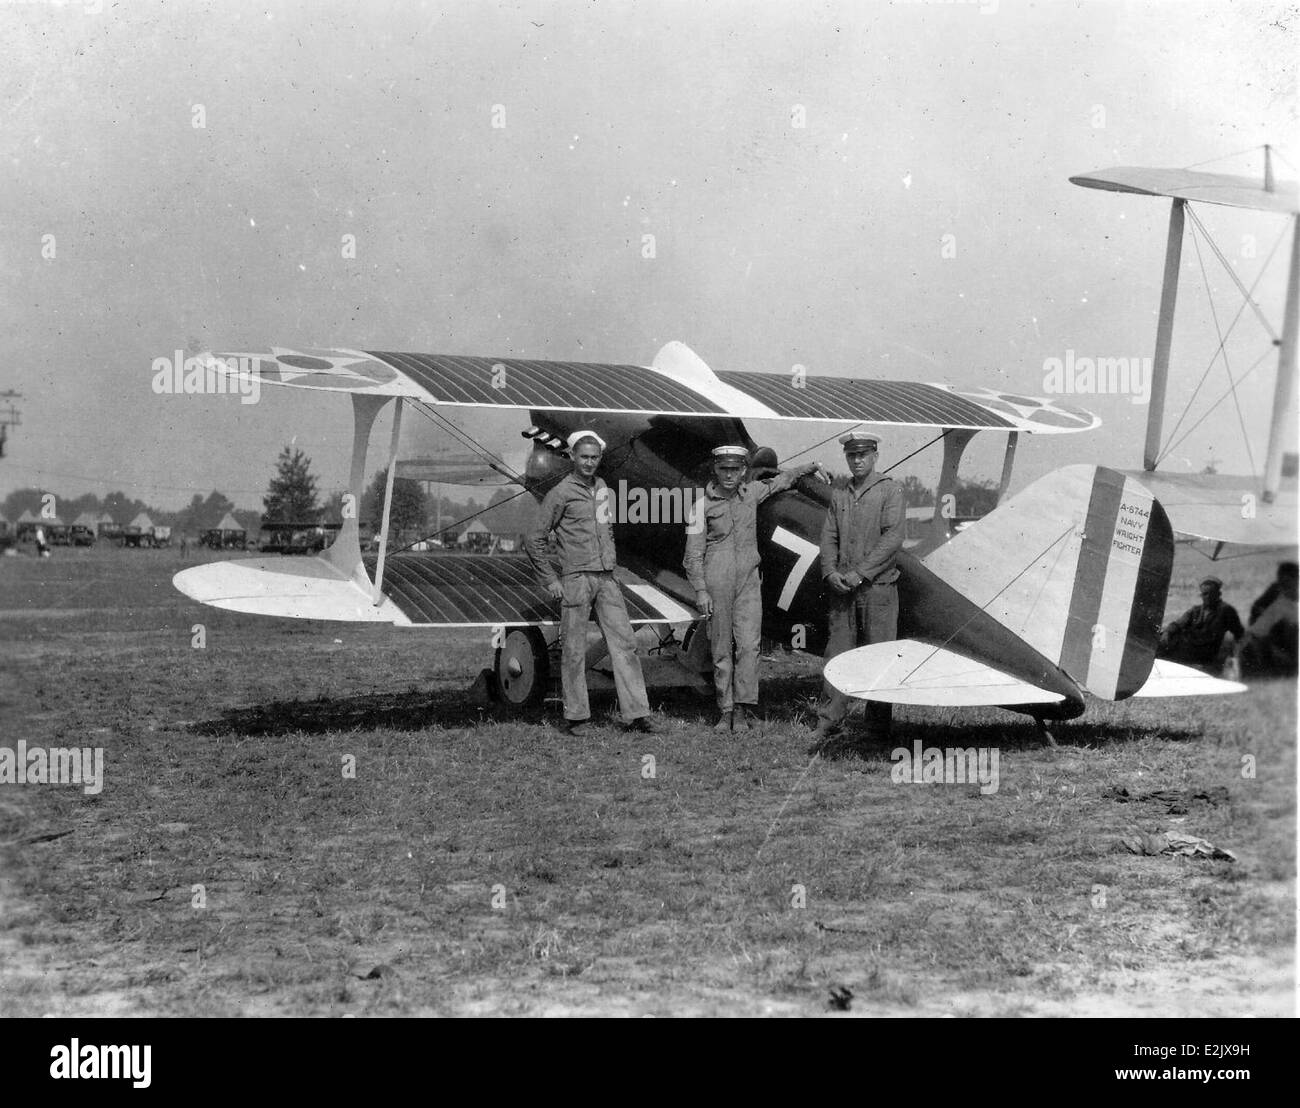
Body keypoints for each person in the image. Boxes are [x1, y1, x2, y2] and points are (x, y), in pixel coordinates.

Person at [526, 430, 662, 736]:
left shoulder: (601, 487)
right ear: (573, 457)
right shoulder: (560, 493)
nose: (589, 463)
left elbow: (607, 530)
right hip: (576, 579)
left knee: (625, 644)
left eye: (594, 458)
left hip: (606, 579)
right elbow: (533, 538)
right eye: (584, 457)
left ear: (600, 459)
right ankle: (576, 718)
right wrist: (550, 579)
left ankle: (638, 714)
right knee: (574, 650)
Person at [684, 445, 825, 733]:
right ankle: (725, 710)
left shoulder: (753, 494)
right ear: (716, 469)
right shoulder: (701, 507)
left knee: (749, 646)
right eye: (724, 469)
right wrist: (700, 591)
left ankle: (745, 708)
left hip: (749, 581)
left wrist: (808, 466)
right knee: (721, 647)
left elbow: (781, 481)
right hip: (717, 580)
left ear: (743, 471)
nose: (729, 475)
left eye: (735, 470)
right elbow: (692, 556)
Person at [810, 431, 904, 747]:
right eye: (852, 455)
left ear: (875, 455)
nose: (857, 460)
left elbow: (892, 539)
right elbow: (829, 538)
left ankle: (877, 729)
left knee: (878, 657)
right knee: (837, 656)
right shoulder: (840, 494)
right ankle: (829, 722)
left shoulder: (890, 491)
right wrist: (830, 573)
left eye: (863, 454)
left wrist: (860, 574)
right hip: (842, 591)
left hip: (878, 590)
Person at [1157, 576, 1244, 671]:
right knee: (1162, 637)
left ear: (1218, 594)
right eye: (1204, 594)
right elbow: (1177, 624)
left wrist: (1233, 652)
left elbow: (1239, 633)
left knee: (1163, 647)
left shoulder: (1226, 611)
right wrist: (1167, 632)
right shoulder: (1196, 611)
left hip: (1204, 651)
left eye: (1210, 594)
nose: (1207, 597)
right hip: (1189, 646)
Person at [1238, 563, 1298, 675]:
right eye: (1283, 583)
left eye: (1288, 582)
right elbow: (1256, 629)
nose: (1285, 587)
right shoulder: (1280, 601)